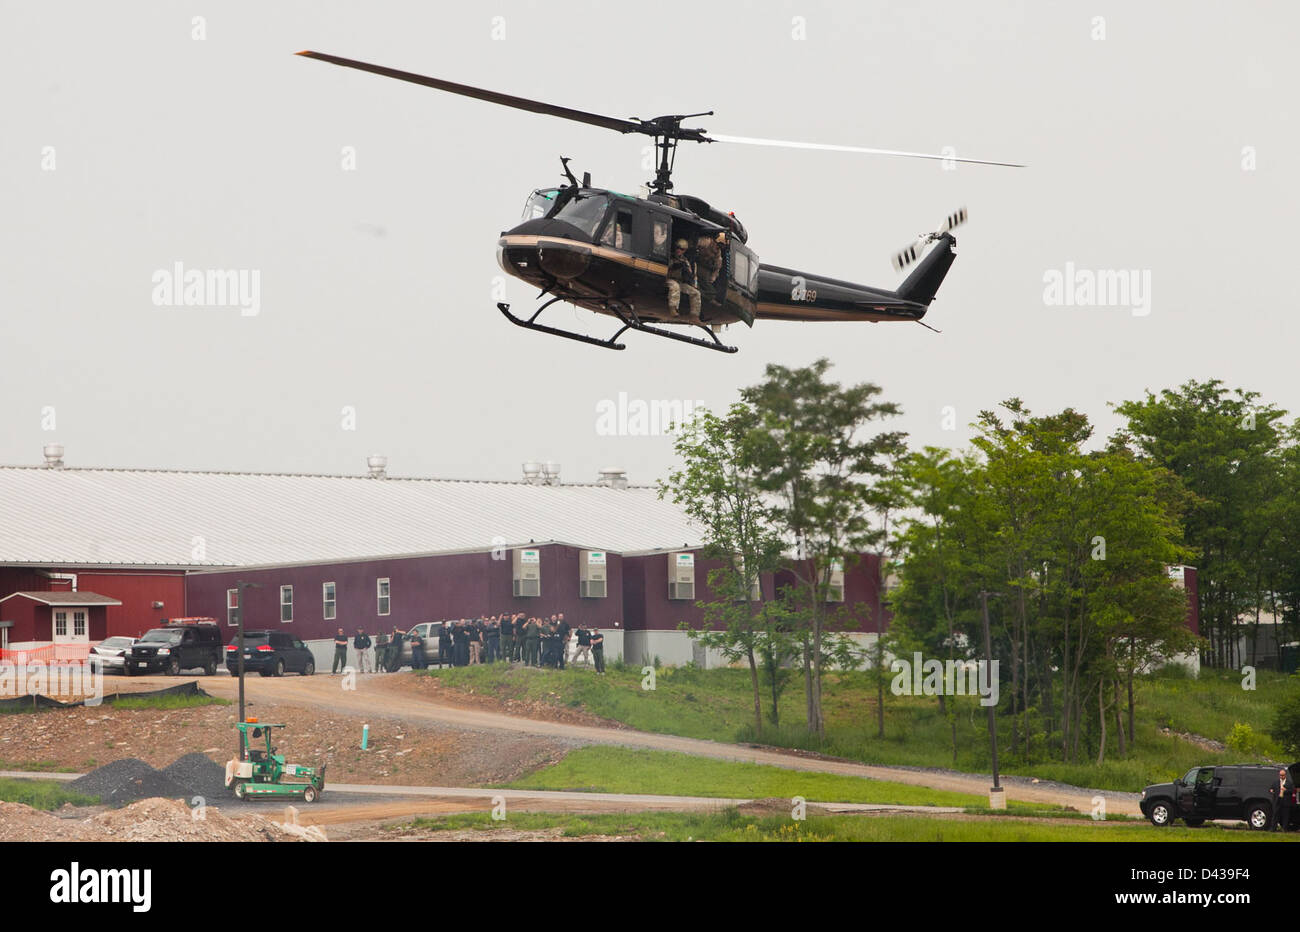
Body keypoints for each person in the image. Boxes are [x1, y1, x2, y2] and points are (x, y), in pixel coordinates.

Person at [666, 239, 701, 319]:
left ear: (684, 250)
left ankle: (694, 316)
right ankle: (673, 309)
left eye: (682, 249)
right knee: (675, 287)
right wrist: (674, 265)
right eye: (677, 248)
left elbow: (690, 274)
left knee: (696, 293)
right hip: (668, 279)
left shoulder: (685, 260)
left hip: (679, 281)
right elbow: (666, 266)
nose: (679, 250)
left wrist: (691, 280)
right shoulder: (670, 256)